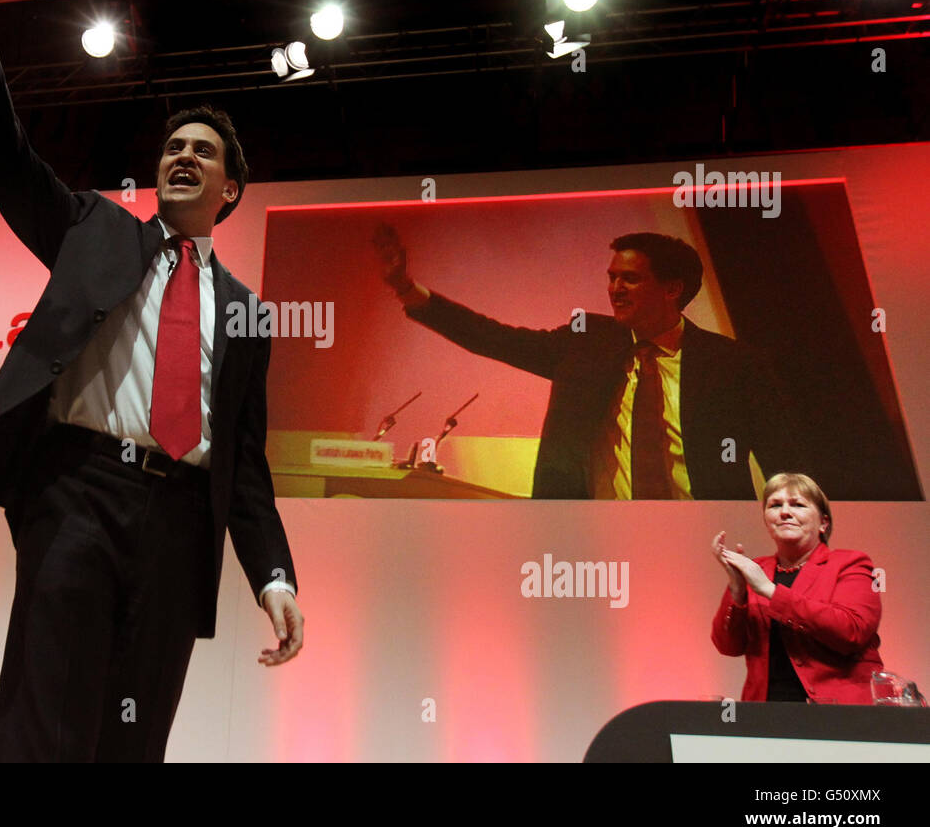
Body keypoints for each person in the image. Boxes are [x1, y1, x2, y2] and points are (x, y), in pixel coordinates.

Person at [0, 0, 302, 761]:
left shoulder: (249, 315)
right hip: (79, 496)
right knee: (44, 728)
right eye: (174, 145)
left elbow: (244, 464)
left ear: (230, 191)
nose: (183, 155)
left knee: (131, 745)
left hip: (182, 526)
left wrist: (275, 575)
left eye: (204, 151)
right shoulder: (94, 229)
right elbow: (1, 153)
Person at [372, 224, 803, 498]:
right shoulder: (587, 341)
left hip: (705, 537)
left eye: (630, 278)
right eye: (612, 277)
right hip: (592, 536)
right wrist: (406, 288)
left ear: (672, 289)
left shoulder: (733, 364)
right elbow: (494, 339)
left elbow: (784, 462)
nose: (615, 288)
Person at [711, 472, 883, 703]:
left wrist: (769, 591)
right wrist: (738, 592)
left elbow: (852, 631)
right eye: (775, 505)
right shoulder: (756, 568)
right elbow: (728, 646)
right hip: (766, 713)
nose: (784, 512)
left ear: (823, 522)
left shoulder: (851, 563)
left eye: (798, 504)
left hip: (837, 714)